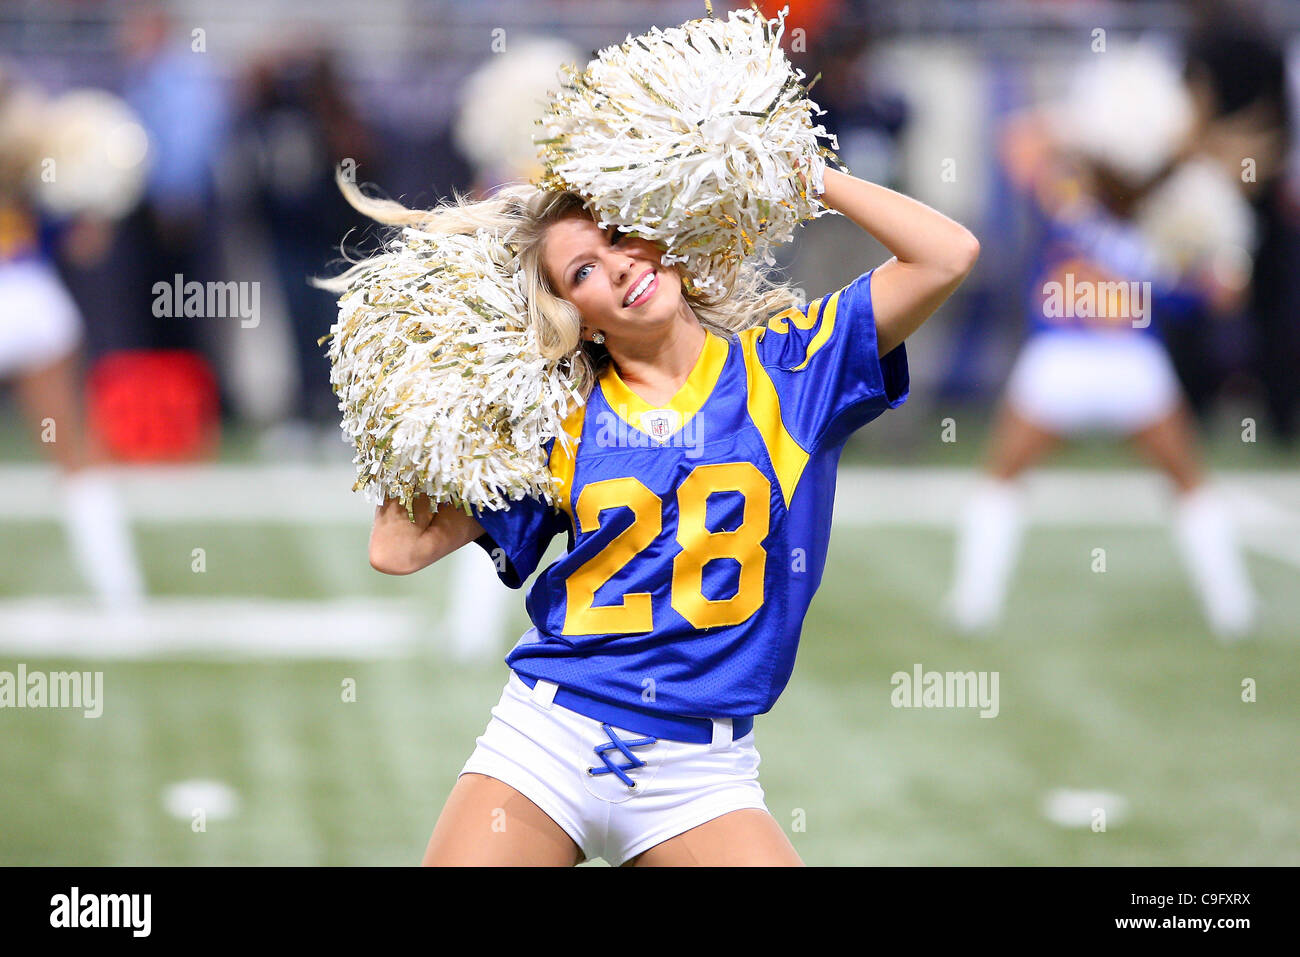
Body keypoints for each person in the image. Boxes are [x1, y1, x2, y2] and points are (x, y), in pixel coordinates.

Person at [359, 164, 978, 866]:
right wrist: (413, 407)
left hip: (698, 773)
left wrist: (804, 167)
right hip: (547, 739)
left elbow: (947, 254)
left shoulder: (793, 370)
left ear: (666, 233)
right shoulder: (561, 419)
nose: (621, 267)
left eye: (624, 235)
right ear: (578, 319)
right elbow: (397, 548)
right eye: (585, 270)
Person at [946, 48, 1257, 640]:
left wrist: (1087, 123)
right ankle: (1233, 608)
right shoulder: (1145, 202)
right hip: (1128, 364)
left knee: (1001, 481)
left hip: (1066, 359)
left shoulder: (1084, 195)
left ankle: (972, 605)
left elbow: (1017, 140)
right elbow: (1207, 293)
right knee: (1189, 484)